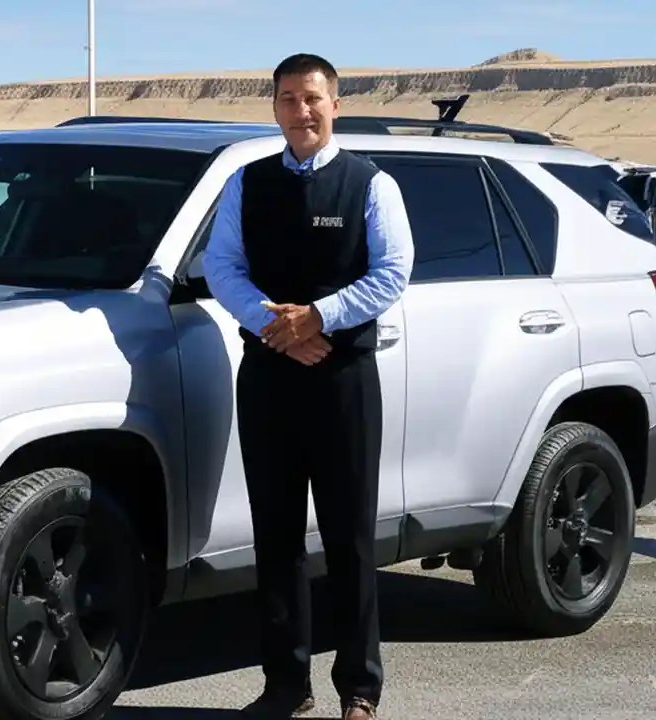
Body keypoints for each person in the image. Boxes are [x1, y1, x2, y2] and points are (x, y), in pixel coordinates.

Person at [202, 53, 414, 720]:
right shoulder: (246, 182)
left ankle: (360, 687)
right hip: (268, 376)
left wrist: (320, 317)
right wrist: (278, 327)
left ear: (335, 104)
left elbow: (394, 270)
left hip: (343, 378)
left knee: (350, 538)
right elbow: (222, 266)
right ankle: (286, 684)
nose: (302, 112)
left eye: (313, 99)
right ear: (275, 107)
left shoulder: (369, 184)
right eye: (289, 99)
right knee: (278, 536)